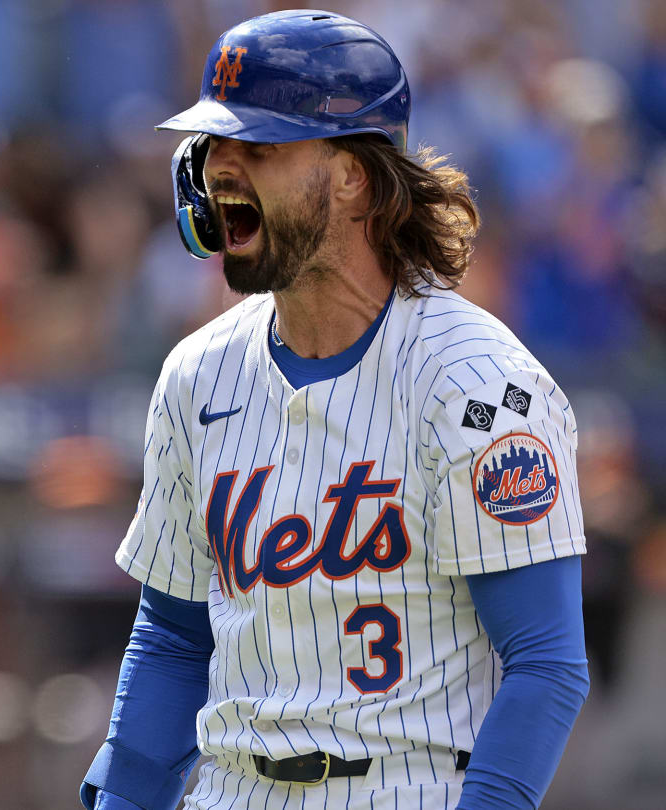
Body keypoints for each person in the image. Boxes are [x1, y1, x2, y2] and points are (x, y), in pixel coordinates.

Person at [80, 10, 588, 810]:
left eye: (261, 148)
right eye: (214, 145)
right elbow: (175, 639)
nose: (220, 171)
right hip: (230, 791)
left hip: (407, 788)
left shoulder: (479, 385)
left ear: (353, 175)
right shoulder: (196, 374)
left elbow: (546, 664)